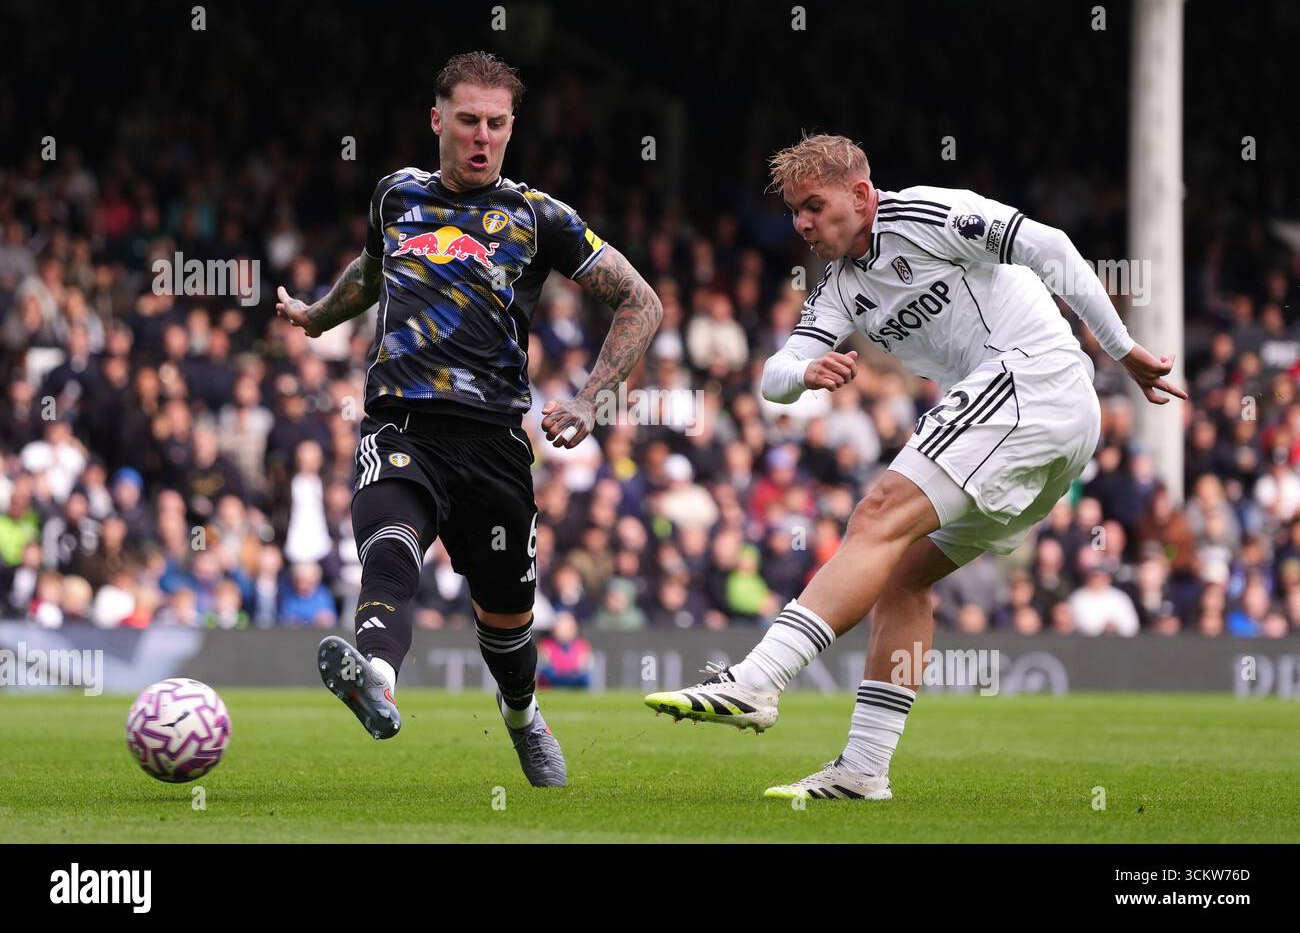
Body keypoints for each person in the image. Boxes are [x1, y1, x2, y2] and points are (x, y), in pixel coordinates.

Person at [645, 133, 1183, 800]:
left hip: (1031, 378)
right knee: (902, 574)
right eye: (794, 212)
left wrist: (1122, 347)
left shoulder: (927, 215)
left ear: (862, 195)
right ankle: (865, 768)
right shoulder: (840, 288)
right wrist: (806, 371)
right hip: (1041, 425)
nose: (804, 223)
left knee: (875, 515)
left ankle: (757, 679)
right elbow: (773, 377)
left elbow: (1050, 248)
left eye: (814, 204)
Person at [276, 52, 661, 787]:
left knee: (507, 621)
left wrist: (589, 399)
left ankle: (522, 716)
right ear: (437, 120)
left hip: (493, 444)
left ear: (511, 127)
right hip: (400, 425)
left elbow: (641, 300)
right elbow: (371, 267)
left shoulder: (537, 215)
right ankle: (378, 679)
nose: (482, 137)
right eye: (468, 121)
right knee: (389, 544)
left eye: (497, 124)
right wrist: (319, 317)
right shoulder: (394, 196)